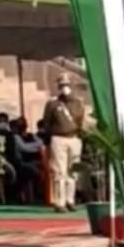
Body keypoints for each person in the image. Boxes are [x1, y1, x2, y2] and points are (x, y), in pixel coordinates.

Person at [42, 76, 86, 212]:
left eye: (66, 85)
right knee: (59, 171)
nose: (64, 88)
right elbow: (46, 122)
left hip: (74, 138)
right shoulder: (53, 104)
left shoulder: (78, 103)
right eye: (61, 86)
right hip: (58, 138)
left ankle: (70, 200)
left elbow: (81, 120)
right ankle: (59, 202)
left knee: (72, 171)